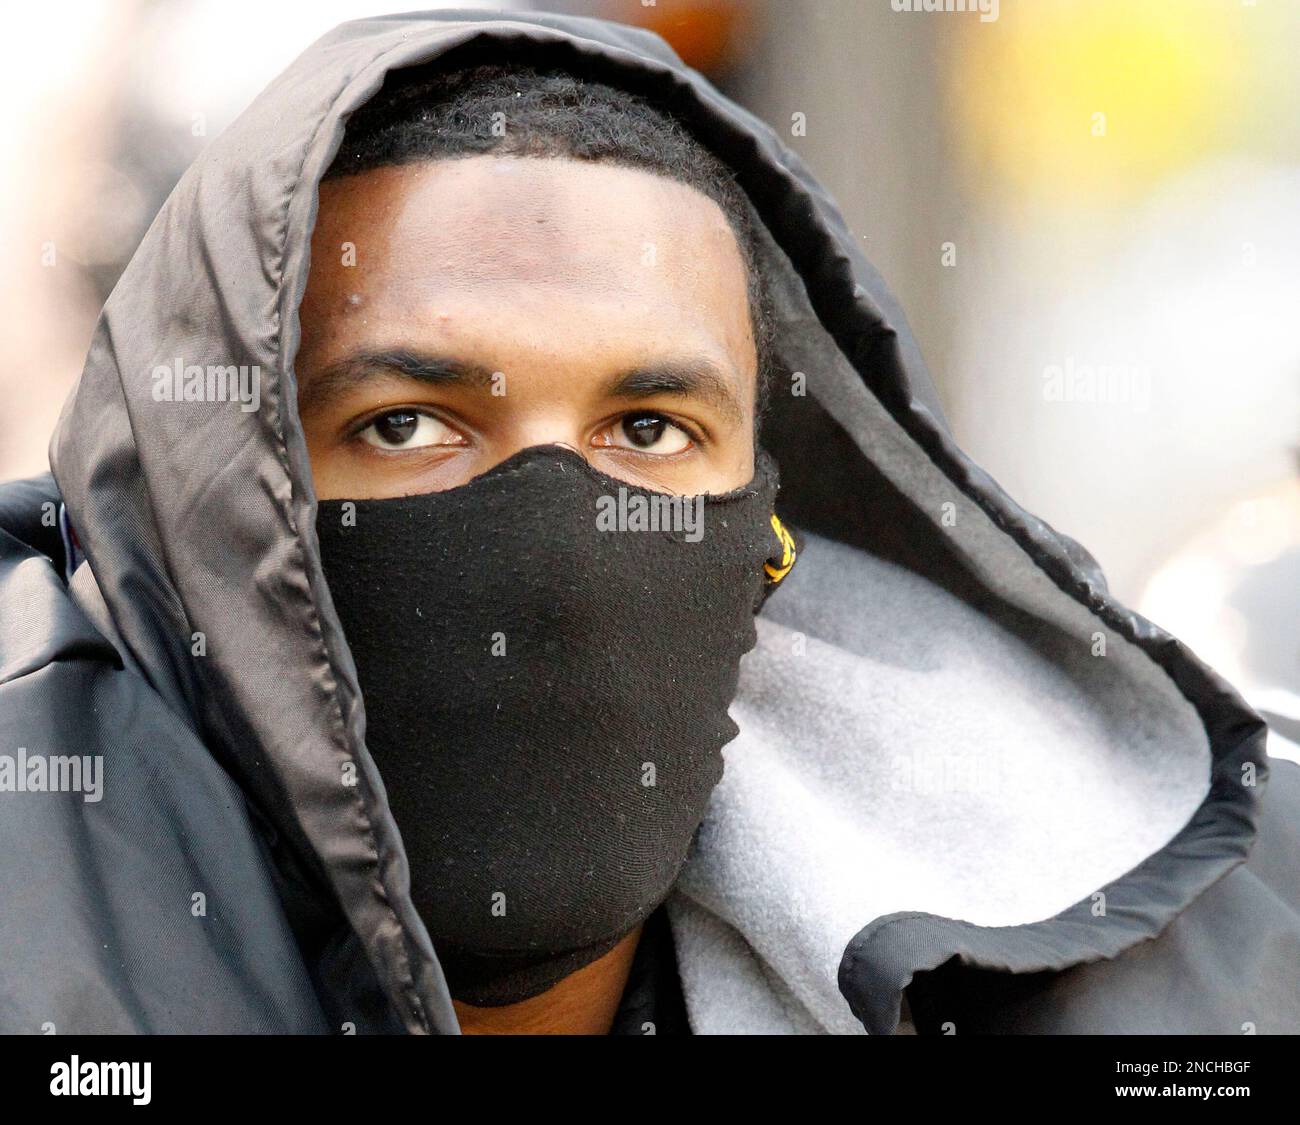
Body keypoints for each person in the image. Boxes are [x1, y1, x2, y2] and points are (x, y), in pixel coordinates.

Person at [0, 8, 1295, 1036]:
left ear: (767, 546)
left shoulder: (1188, 944)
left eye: (650, 428)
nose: (558, 555)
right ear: (222, 503)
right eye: (410, 421)